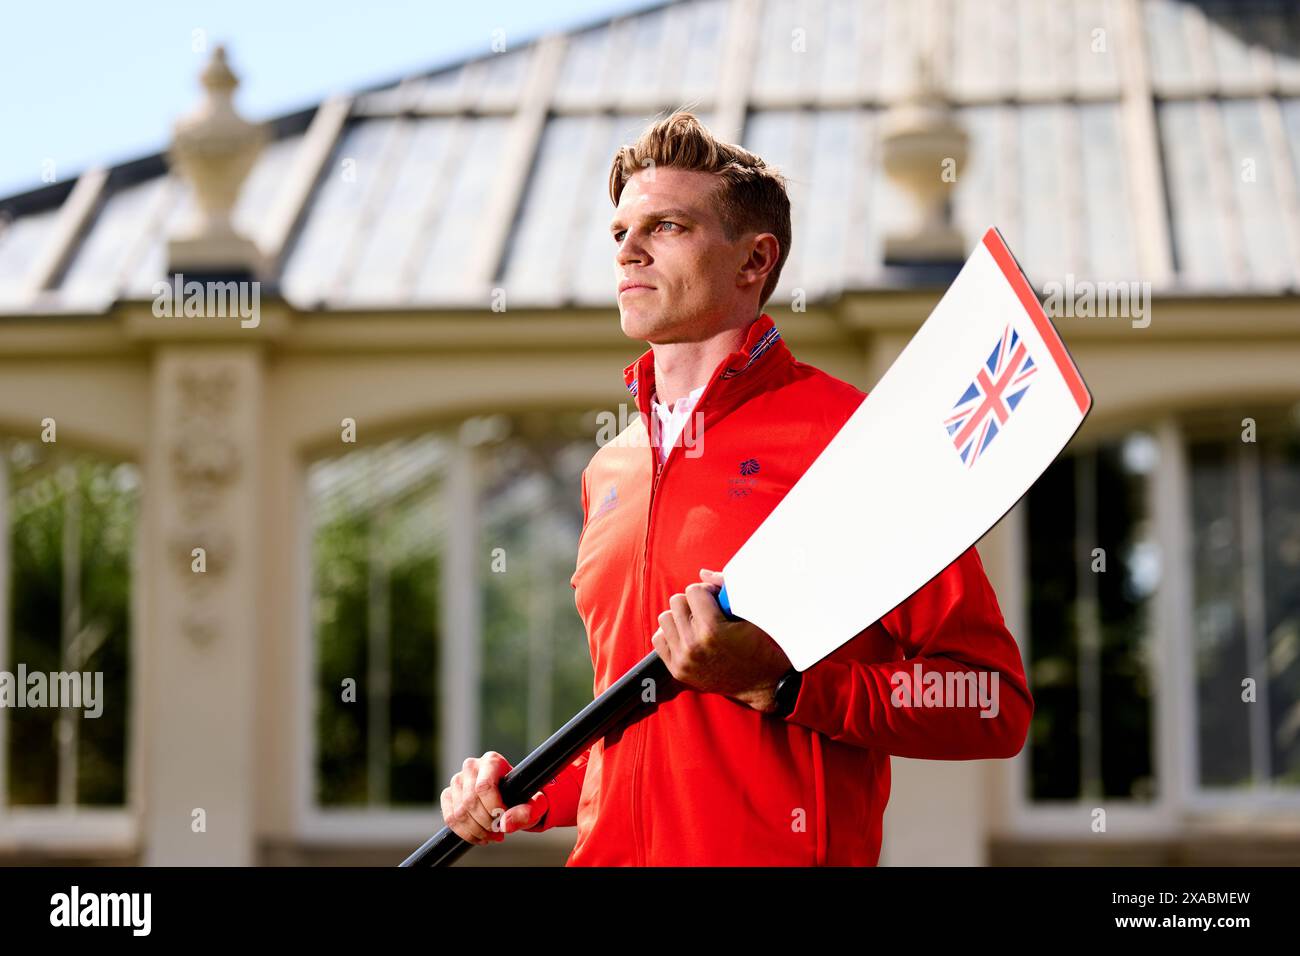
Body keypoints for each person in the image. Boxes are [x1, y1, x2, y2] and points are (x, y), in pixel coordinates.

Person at [440, 111, 1033, 865]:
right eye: (620, 231)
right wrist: (526, 789)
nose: (628, 249)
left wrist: (786, 686)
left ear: (755, 261)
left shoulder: (854, 443)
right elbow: (652, 728)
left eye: (668, 226)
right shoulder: (609, 470)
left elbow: (990, 704)